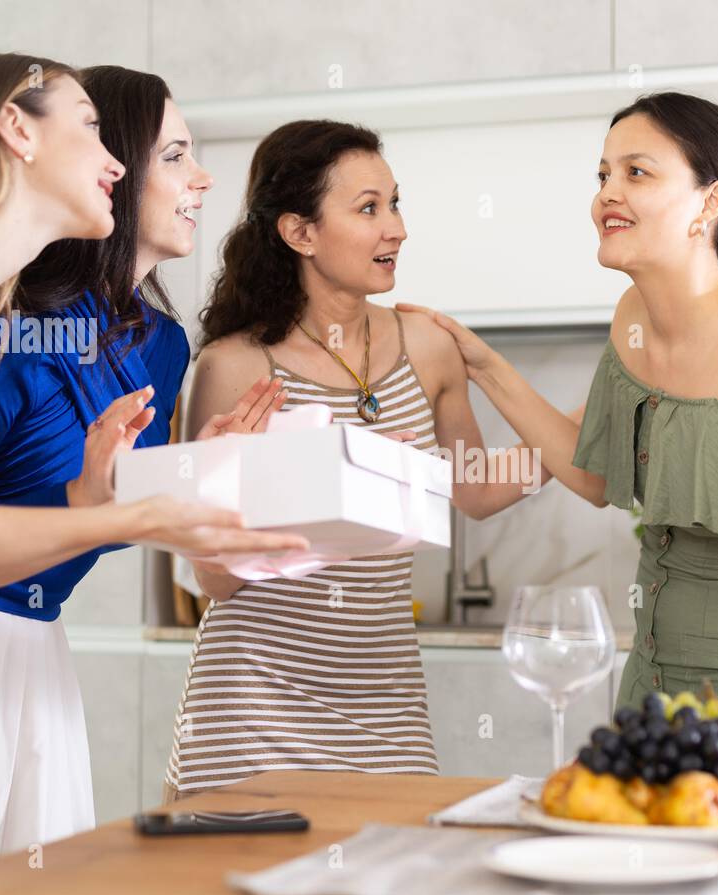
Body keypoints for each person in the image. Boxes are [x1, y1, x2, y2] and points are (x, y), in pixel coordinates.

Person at [0, 54, 303, 895]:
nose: (121, 164)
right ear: (16, 129)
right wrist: (128, 512)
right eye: (95, 129)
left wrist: (127, 497)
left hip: (8, 648)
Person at [400, 91, 718, 711]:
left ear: (710, 201)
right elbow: (595, 477)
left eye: (636, 172)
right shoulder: (632, 317)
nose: (606, 194)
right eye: (603, 174)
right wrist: (486, 367)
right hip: (646, 679)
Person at [163, 120, 557, 798]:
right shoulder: (233, 367)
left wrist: (585, 428)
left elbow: (474, 488)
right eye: (369, 208)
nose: (395, 228)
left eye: (395, 203)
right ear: (300, 232)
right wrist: (320, 492)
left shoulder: (426, 343)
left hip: (386, 710)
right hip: (252, 712)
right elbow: (214, 581)